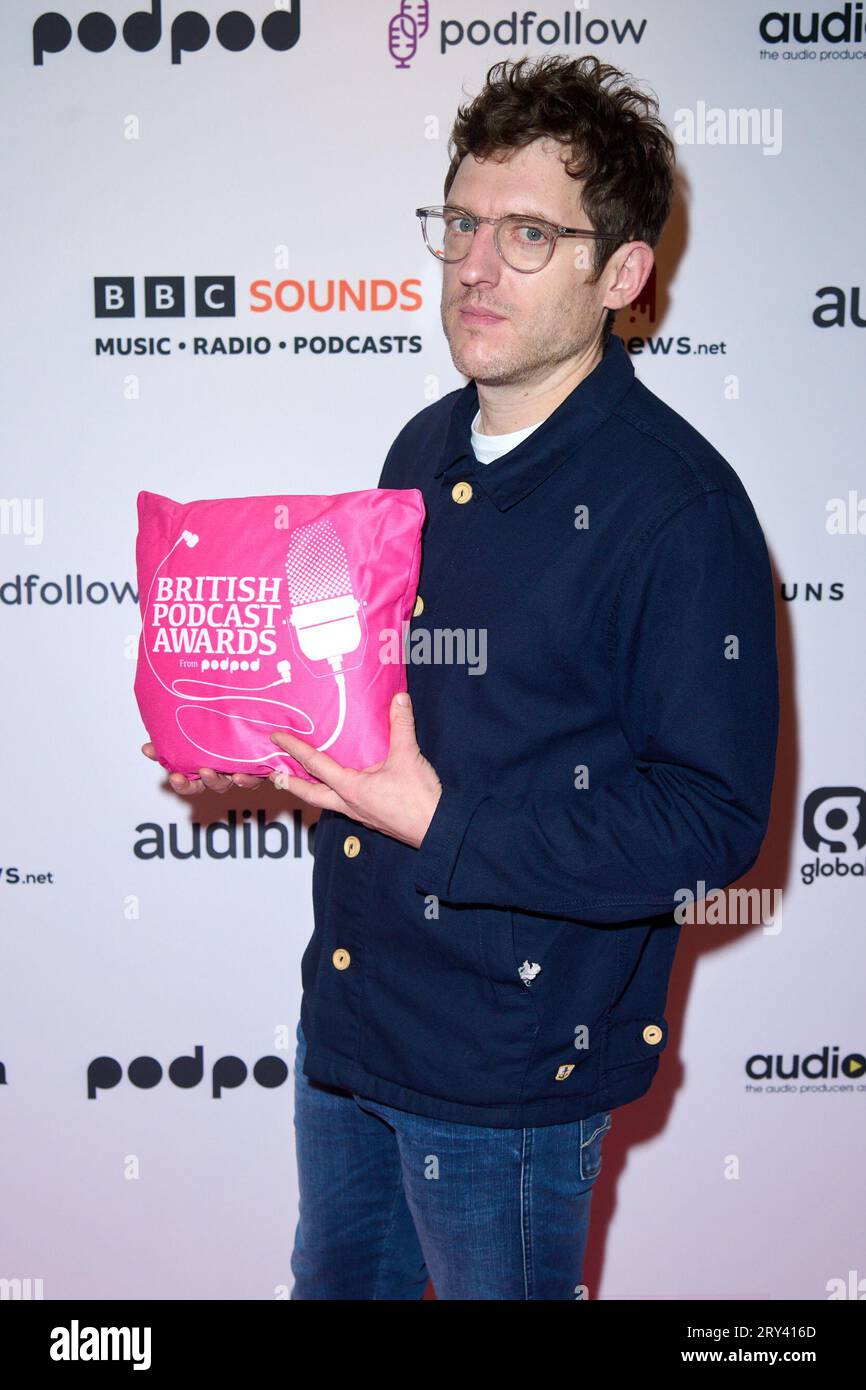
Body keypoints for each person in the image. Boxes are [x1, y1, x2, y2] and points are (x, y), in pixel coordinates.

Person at [143, 55, 779, 1300]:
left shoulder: (679, 509)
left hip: (508, 1075)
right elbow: (385, 718)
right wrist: (258, 738)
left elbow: (708, 827)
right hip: (352, 1024)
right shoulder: (422, 446)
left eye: (529, 234)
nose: (474, 266)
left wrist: (440, 820)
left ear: (622, 275)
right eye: (462, 224)